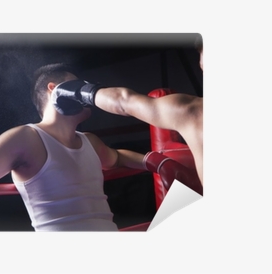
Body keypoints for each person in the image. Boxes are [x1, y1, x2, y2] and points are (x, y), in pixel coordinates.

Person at [0, 63, 197, 231]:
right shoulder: (25, 138)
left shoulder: (89, 142)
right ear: (55, 90)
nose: (86, 93)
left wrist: (155, 161)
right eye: (77, 86)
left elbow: (117, 156)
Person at [51, 45, 204, 185]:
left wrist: (78, 91)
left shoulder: (190, 111)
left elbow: (123, 101)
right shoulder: (32, 136)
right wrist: (156, 161)